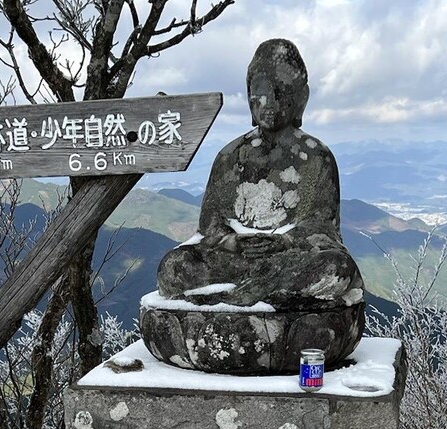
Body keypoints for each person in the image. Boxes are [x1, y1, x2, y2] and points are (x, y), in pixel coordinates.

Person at [155, 38, 364, 312]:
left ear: (302, 97)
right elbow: (209, 228)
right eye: (261, 92)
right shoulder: (230, 157)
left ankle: (244, 295)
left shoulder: (316, 156)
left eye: (282, 91)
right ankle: (256, 292)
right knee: (175, 266)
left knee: (337, 268)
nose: (271, 102)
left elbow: (322, 228)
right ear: (248, 95)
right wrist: (233, 242)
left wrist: (283, 241)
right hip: (236, 261)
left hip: (288, 259)